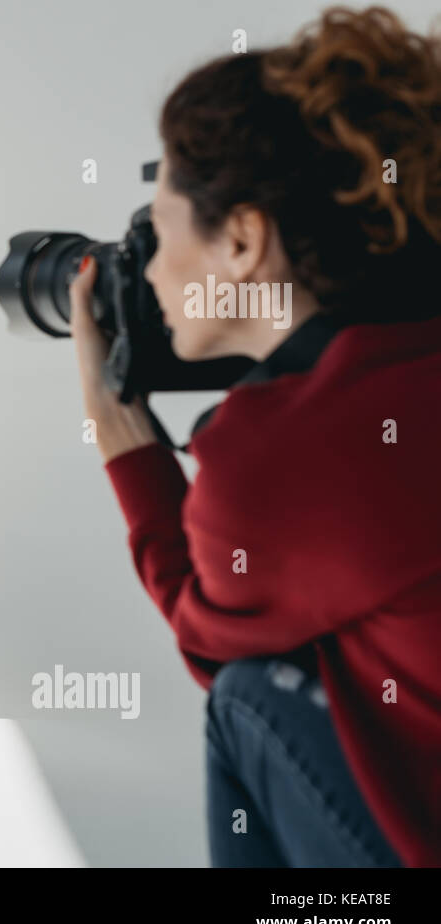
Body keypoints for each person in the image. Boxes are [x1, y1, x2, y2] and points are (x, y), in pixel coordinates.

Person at [69, 5, 441, 866]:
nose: (150, 269)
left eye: (157, 232)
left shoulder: (275, 460)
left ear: (241, 240)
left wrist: (116, 423)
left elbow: (208, 633)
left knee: (247, 696)